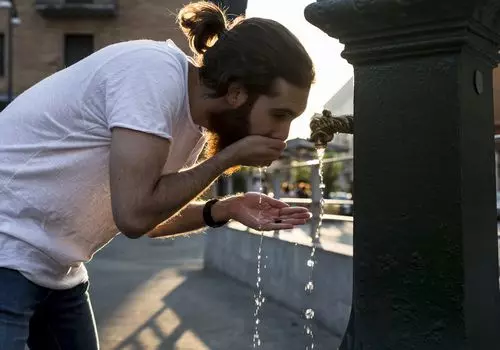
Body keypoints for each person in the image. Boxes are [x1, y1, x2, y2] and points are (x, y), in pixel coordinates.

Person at [0, 1, 315, 349]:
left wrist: (225, 208)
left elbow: (150, 219)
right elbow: (134, 215)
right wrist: (226, 159)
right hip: (6, 250)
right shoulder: (152, 74)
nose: (282, 134)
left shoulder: (192, 124)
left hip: (58, 270)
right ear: (237, 92)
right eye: (280, 114)